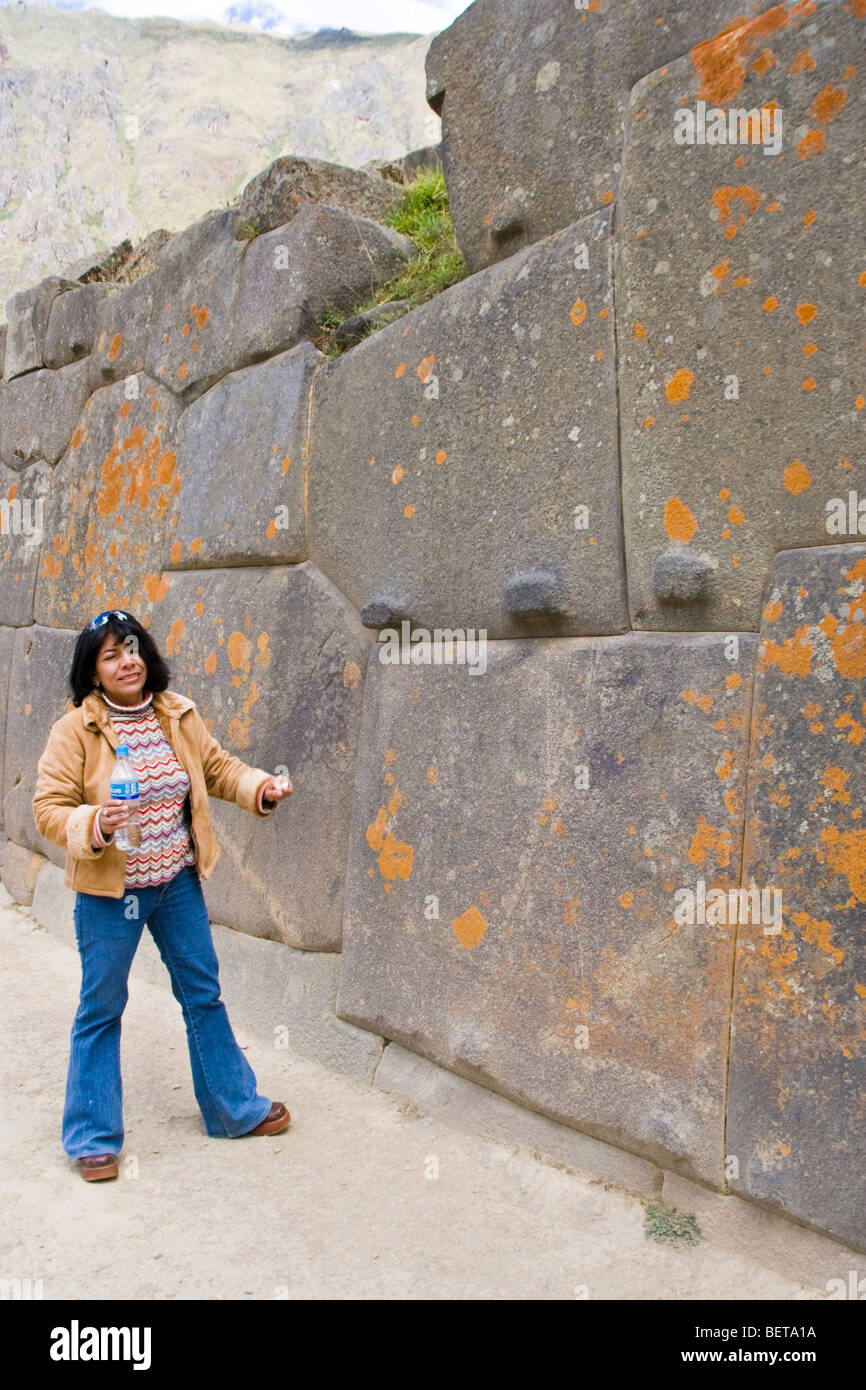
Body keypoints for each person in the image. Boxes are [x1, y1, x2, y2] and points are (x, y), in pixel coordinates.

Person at [32, 608, 294, 1182]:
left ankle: (233, 1109)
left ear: (146, 654)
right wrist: (96, 823)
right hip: (110, 893)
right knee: (101, 1007)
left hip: (175, 882)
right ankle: (92, 1137)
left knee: (203, 993)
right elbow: (47, 808)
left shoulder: (176, 714)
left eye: (132, 647)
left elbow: (219, 768)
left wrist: (261, 788)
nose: (126, 660)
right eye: (110, 654)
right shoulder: (76, 730)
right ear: (93, 672)